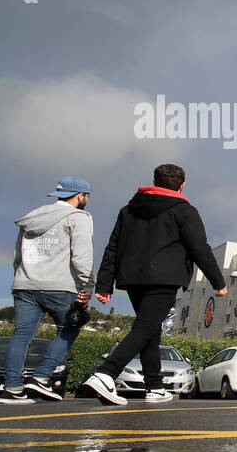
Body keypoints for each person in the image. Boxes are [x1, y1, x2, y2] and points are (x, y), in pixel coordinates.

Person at [84, 164, 227, 405]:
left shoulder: (129, 210)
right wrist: (218, 282)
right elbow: (199, 248)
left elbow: (113, 247)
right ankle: (107, 373)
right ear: (182, 185)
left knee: (150, 329)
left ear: (154, 182)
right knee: (145, 327)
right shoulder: (184, 211)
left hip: (132, 278)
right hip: (164, 278)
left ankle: (154, 386)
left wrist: (104, 284)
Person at [0, 177, 95, 404]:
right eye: (87, 196)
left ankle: (12, 387)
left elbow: (18, 256)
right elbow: (81, 255)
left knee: (21, 336)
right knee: (68, 329)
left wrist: (21, 276)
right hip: (60, 286)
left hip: (25, 284)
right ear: (80, 196)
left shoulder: (34, 217)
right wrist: (87, 285)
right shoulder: (78, 218)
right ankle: (41, 377)